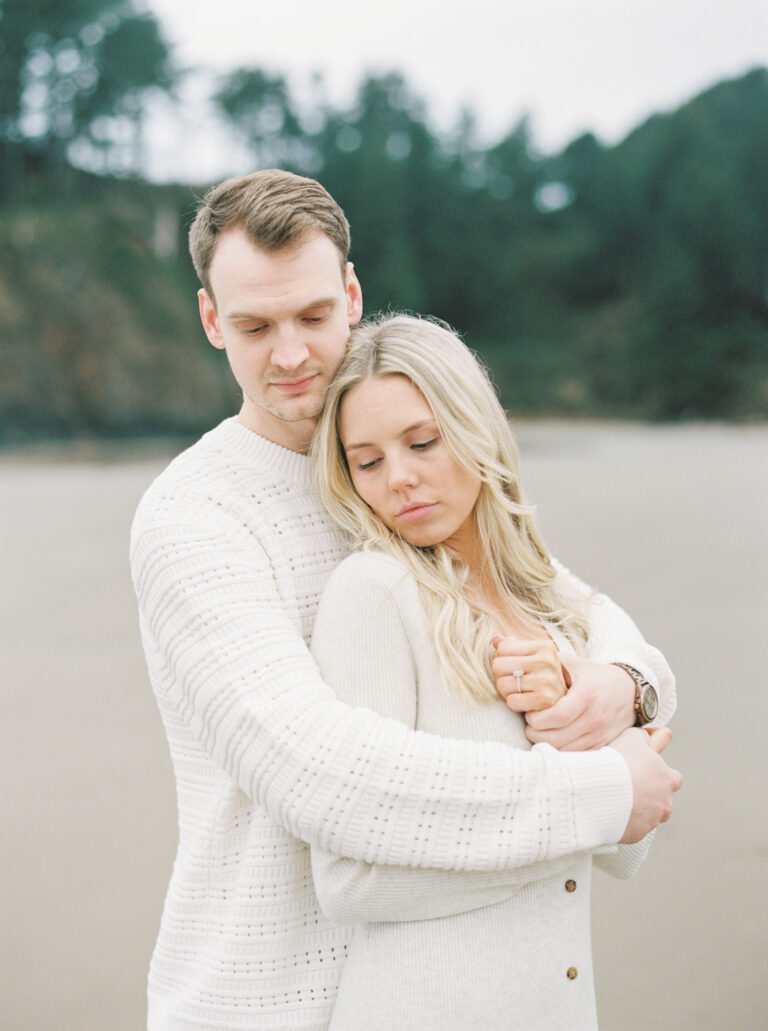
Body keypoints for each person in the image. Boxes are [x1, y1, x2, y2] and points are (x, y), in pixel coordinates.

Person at [129, 169, 682, 1030]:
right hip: (258, 1002)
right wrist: (602, 794)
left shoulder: (392, 472)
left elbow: (560, 595)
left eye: (312, 315)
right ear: (211, 321)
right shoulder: (196, 517)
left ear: (352, 295)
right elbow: (316, 768)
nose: (290, 354)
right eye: (254, 325)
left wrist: (623, 684)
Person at [310, 313, 672, 1029]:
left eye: (422, 441)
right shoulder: (373, 594)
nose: (400, 479)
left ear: (475, 427)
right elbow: (351, 880)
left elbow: (634, 840)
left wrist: (617, 721)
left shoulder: (548, 595)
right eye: (368, 460)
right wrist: (593, 797)